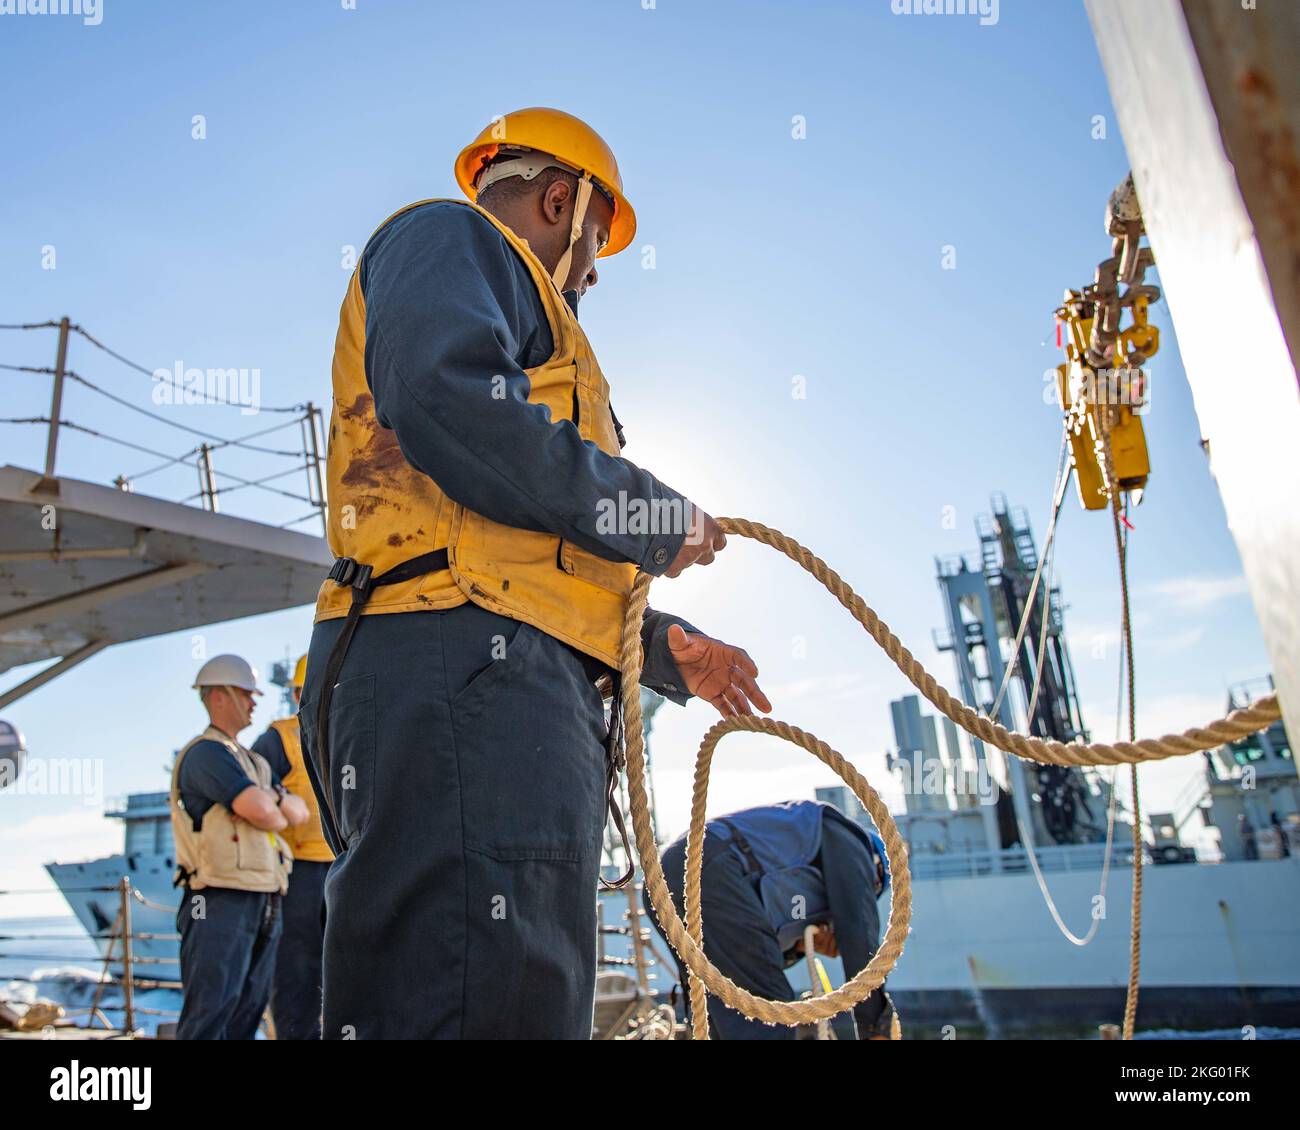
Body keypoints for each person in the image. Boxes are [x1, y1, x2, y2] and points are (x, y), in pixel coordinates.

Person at [298, 107, 770, 1039]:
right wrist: (648, 514)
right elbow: (450, 404)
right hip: (466, 668)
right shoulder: (451, 237)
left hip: (485, 669)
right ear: (561, 200)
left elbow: (529, 548)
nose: (592, 277)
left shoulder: (517, 308)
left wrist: (670, 653)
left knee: (506, 992)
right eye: (594, 249)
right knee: (476, 996)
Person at [647, 800, 895, 1040]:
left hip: (664, 878)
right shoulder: (851, 842)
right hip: (712, 866)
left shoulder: (798, 845)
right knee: (766, 1012)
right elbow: (858, 932)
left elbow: (747, 957)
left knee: (721, 1010)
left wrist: (797, 946)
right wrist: (876, 1027)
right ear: (875, 873)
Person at [170, 655, 310, 1039]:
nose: (254, 703)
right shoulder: (206, 754)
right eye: (247, 694)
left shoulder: (253, 763)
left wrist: (269, 808)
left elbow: (295, 813)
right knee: (212, 1010)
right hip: (219, 899)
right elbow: (264, 810)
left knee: (248, 1008)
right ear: (219, 697)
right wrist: (269, 807)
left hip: (265, 896)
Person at [251, 654, 332, 1039]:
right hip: (294, 873)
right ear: (299, 692)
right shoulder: (278, 738)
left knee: (348, 967)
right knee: (296, 971)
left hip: (341, 870)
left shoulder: (347, 731)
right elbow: (254, 795)